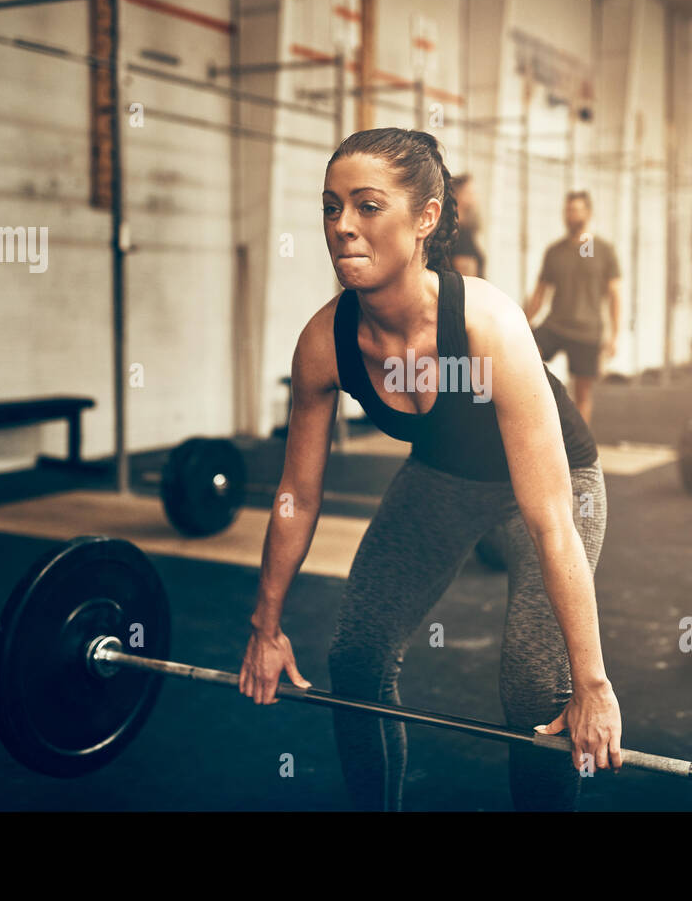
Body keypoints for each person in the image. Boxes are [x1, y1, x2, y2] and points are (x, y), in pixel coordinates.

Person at [237, 128, 620, 811]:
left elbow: (551, 516)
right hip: (441, 480)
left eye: (366, 205)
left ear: (426, 219)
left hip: (556, 489)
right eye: (330, 207)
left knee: (536, 684)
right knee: (356, 659)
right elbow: (296, 495)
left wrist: (591, 682)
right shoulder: (324, 344)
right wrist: (266, 627)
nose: (342, 227)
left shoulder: (487, 325)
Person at [523, 191, 621, 425]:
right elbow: (539, 293)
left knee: (583, 394)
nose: (571, 215)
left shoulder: (604, 251)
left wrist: (614, 336)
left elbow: (614, 295)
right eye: (568, 210)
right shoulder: (554, 251)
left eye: (576, 210)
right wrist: (522, 323)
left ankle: (582, 453)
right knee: (526, 357)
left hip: (587, 330)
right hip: (556, 324)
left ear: (588, 213)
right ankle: (534, 424)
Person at [448, 174, 485, 280]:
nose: (474, 197)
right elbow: (466, 276)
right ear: (458, 194)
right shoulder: (461, 233)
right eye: (470, 192)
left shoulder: (460, 229)